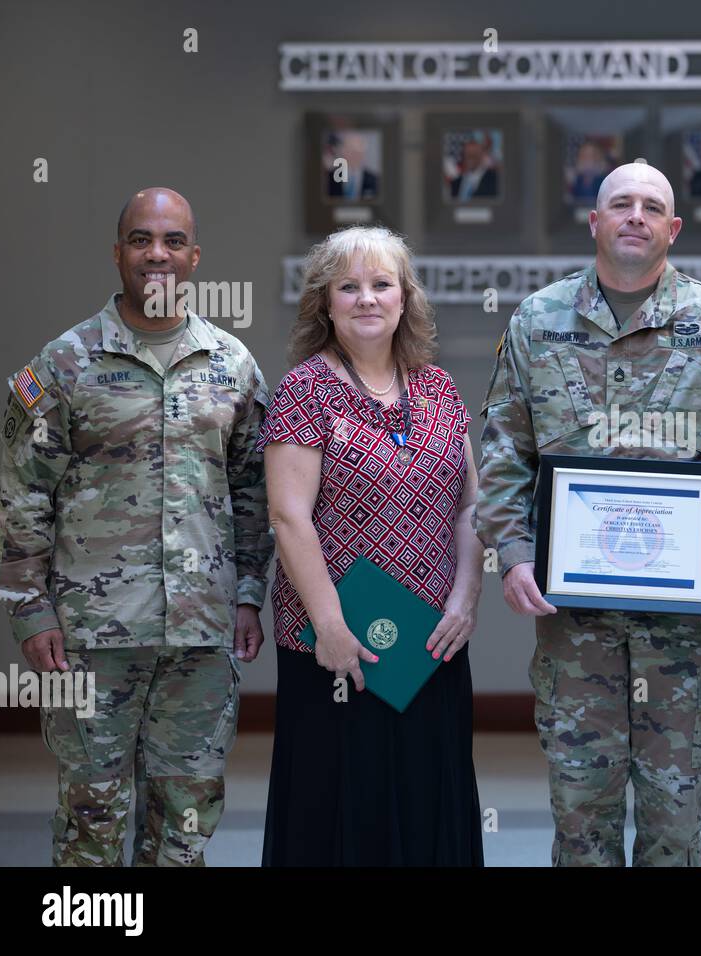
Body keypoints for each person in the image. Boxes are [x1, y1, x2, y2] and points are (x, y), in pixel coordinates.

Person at [475, 161, 701, 866]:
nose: (636, 216)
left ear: (673, 228)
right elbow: (501, 453)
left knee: (673, 824)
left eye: (652, 206)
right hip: (573, 622)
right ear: (595, 221)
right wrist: (516, 552)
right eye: (621, 204)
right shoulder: (538, 321)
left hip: (682, 629)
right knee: (580, 819)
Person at [0, 187, 273, 866]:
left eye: (173, 240)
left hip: (201, 637)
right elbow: (21, 494)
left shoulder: (232, 365)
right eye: (142, 239)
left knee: (185, 823)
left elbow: (253, 492)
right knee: (91, 821)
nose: (158, 254)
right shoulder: (64, 364)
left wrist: (246, 595)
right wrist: (30, 611)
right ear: (117, 253)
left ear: (195, 256)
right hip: (92, 633)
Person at [260, 225, 483, 866]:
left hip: (430, 642)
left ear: (405, 298)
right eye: (348, 287)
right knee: (337, 810)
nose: (366, 298)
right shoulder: (303, 390)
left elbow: (470, 504)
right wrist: (330, 625)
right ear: (325, 303)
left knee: (426, 804)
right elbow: (288, 516)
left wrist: (465, 601)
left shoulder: (438, 389)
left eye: (382, 284)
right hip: (334, 647)